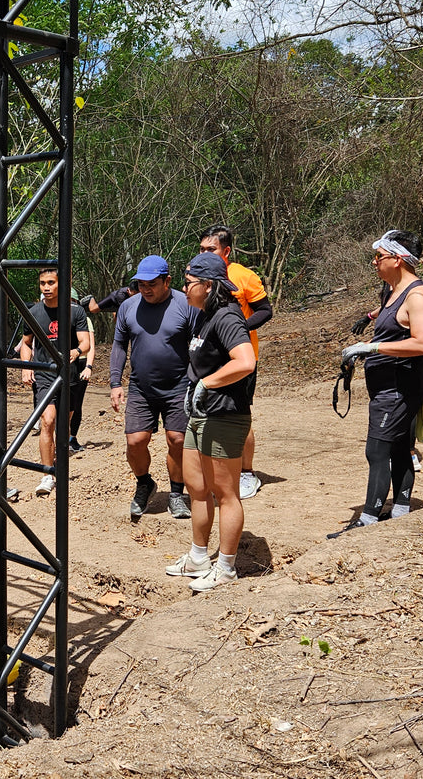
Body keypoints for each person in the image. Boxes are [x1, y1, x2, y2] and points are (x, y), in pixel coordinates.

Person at [330, 230, 423, 538]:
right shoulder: (393, 291)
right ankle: (401, 510)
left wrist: (372, 348)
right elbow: (390, 316)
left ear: (398, 259)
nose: (374, 262)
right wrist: (368, 325)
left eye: (379, 256)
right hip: (388, 382)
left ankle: (368, 518)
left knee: (377, 450)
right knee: (401, 446)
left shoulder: (418, 295)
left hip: (400, 385)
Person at [165, 252, 256, 592]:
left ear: (207, 285)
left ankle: (227, 568)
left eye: (188, 283)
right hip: (201, 415)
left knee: (226, 493)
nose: (184, 289)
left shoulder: (227, 316)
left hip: (224, 414)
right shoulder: (203, 316)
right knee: (197, 488)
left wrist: (207, 383)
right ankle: (199, 556)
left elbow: (245, 362)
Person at [109, 255, 200, 520]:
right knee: (136, 441)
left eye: (151, 283)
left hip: (179, 385)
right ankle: (144, 483)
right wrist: (115, 382)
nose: (145, 289)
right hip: (141, 386)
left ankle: (176, 494)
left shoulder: (185, 304)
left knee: (178, 440)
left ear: (167, 280)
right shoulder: (128, 307)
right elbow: (118, 345)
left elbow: (198, 344)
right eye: (140, 284)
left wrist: (199, 381)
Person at [197, 225, 273, 501]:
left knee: (240, 414)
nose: (205, 253)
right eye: (202, 248)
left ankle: (246, 472)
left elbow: (265, 310)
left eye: (211, 249)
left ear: (226, 251)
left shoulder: (243, 276)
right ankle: (217, 469)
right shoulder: (198, 276)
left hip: (239, 357)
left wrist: (240, 326)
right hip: (207, 359)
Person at [19, 268, 91, 497]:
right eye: (42, 283)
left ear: (62, 284)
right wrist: (26, 368)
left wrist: (76, 351)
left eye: (51, 282)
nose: (46, 287)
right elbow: (26, 343)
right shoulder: (33, 312)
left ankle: (58, 459)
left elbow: (85, 342)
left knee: (64, 423)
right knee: (47, 420)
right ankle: (47, 475)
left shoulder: (75, 311)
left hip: (68, 376)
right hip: (44, 375)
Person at [67, 288, 97, 454]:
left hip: (80, 363)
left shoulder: (83, 318)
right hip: (65, 363)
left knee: (76, 404)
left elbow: (90, 345)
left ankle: (72, 438)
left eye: (72, 301)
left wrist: (88, 367)